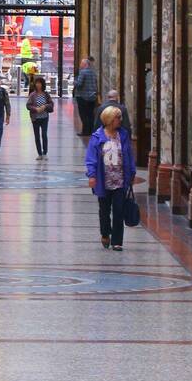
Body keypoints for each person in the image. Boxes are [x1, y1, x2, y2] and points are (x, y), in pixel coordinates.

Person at [85, 104, 136, 251]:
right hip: (103, 179)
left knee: (119, 211)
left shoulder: (124, 135)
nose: (120, 120)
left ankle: (117, 241)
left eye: (120, 117)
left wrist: (132, 172)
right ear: (109, 120)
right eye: (117, 118)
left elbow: (129, 155)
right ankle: (105, 233)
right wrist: (92, 175)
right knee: (104, 211)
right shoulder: (97, 137)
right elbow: (91, 158)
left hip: (120, 179)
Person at [26, 75, 54, 159]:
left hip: (44, 117)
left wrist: (45, 106)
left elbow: (51, 104)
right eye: (37, 83)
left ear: (42, 84)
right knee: (37, 136)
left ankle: (45, 152)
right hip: (35, 118)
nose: (38, 85)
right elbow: (28, 105)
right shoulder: (32, 95)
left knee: (44, 135)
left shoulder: (46, 94)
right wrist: (35, 109)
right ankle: (39, 153)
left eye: (39, 83)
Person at [73, 56, 98, 137]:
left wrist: (74, 82)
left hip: (82, 97)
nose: (80, 65)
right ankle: (91, 131)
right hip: (92, 97)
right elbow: (95, 84)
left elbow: (79, 84)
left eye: (81, 63)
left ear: (85, 64)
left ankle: (85, 131)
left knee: (83, 115)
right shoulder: (93, 72)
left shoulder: (83, 72)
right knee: (91, 114)